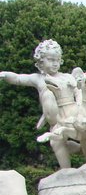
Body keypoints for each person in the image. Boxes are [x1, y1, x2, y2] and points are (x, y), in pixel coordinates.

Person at [0, 40, 79, 168]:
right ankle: (67, 170)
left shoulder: (65, 77)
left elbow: (79, 92)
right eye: (50, 60)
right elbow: (18, 78)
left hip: (69, 116)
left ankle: (78, 157)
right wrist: (4, 75)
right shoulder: (38, 79)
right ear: (40, 62)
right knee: (56, 143)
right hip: (55, 122)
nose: (54, 63)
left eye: (57, 60)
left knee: (63, 140)